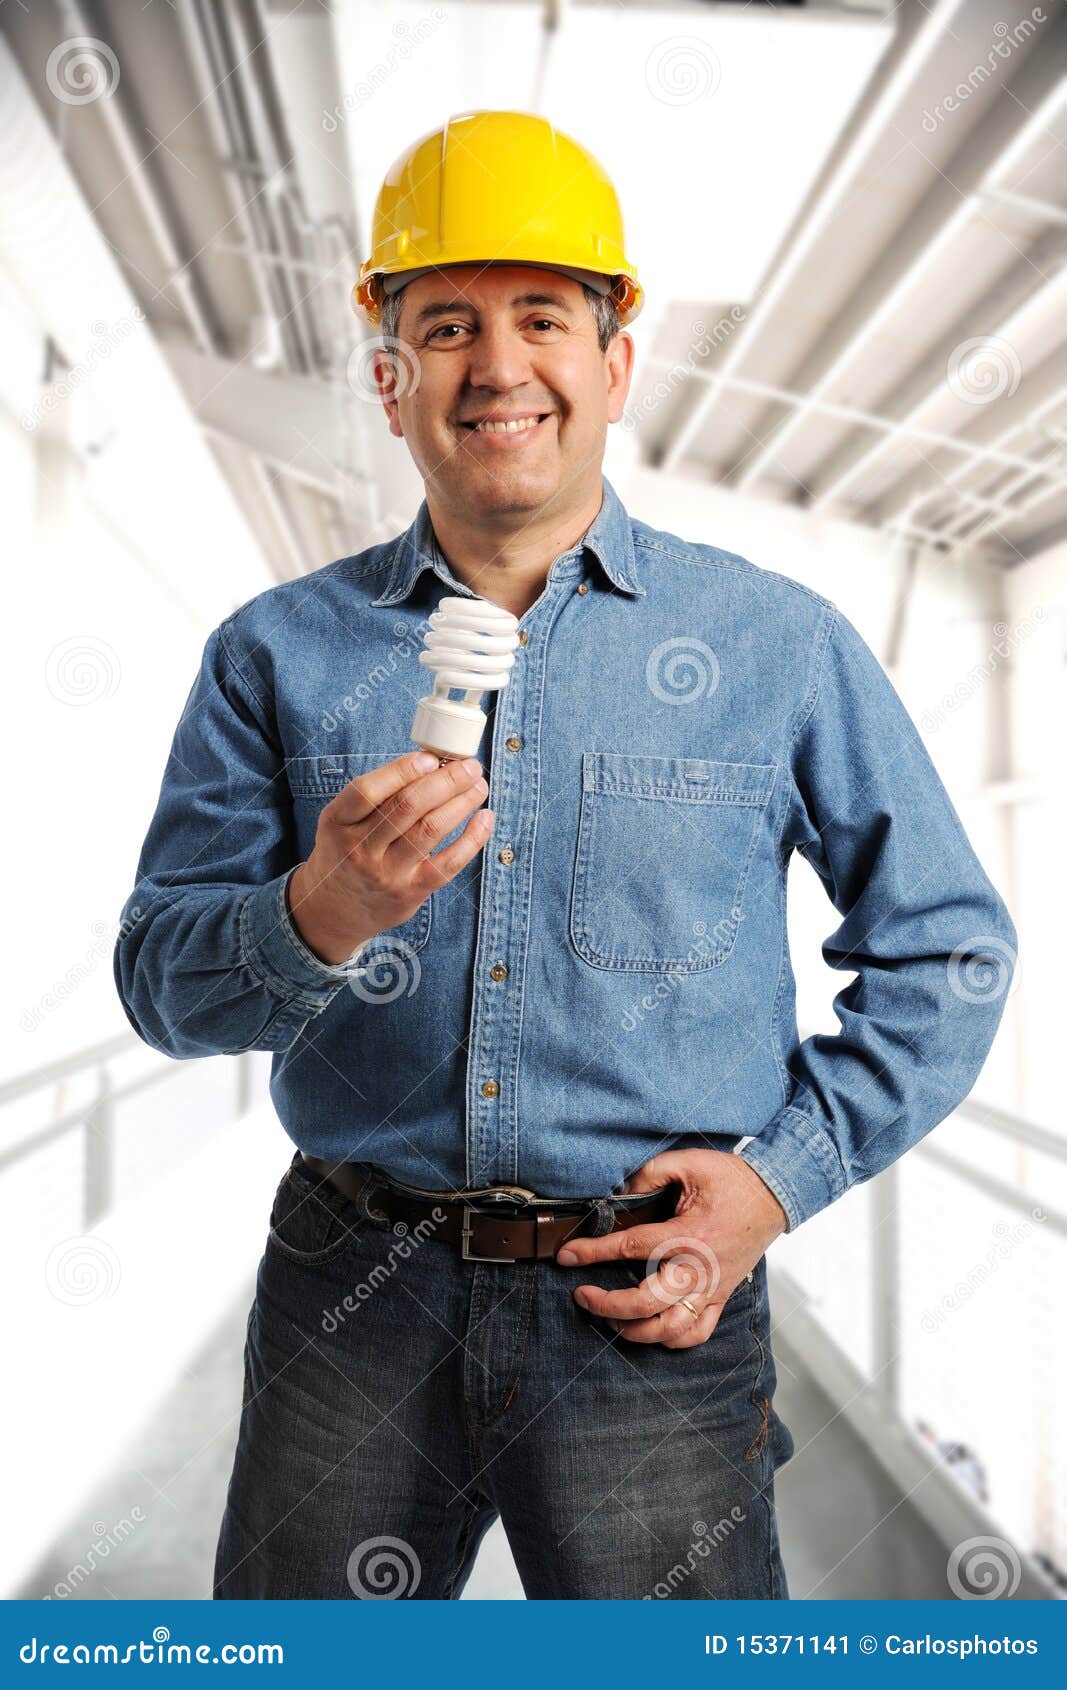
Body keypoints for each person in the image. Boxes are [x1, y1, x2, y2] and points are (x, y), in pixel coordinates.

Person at [114, 110, 1017, 1601]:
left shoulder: (773, 644)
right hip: (353, 1293)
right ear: (389, 374)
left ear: (617, 360)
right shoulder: (272, 654)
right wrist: (322, 909)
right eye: (446, 324)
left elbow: (949, 946)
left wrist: (776, 1183)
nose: (499, 366)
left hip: (652, 1297)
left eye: (544, 316)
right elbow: (162, 982)